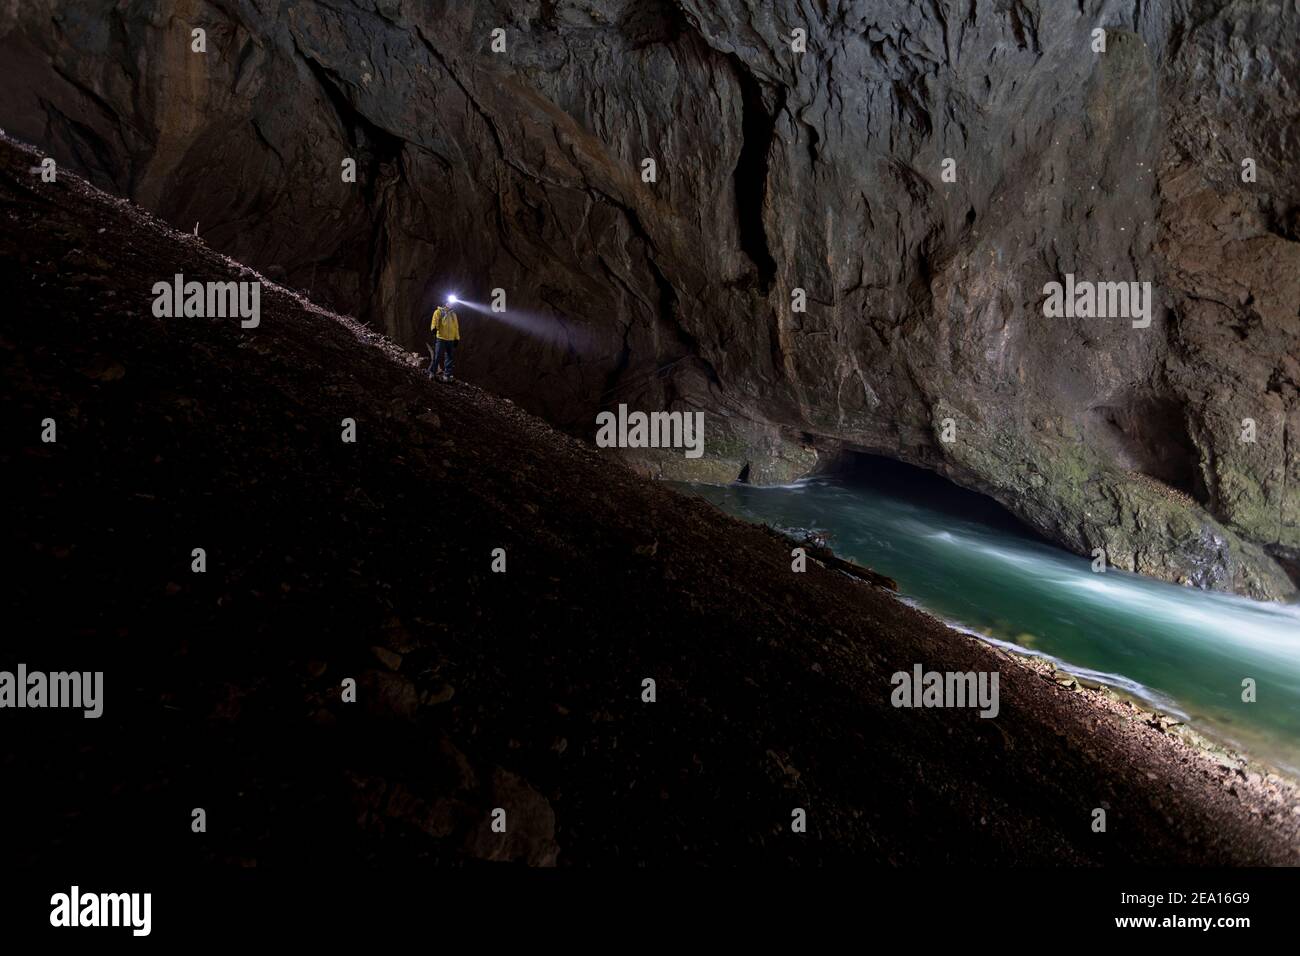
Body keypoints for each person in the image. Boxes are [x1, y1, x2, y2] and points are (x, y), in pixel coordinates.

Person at [428, 299, 461, 381]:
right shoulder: (439, 312)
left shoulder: (453, 314)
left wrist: (457, 338)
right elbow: (434, 322)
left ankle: (447, 375)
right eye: (449, 302)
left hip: (450, 339)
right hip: (441, 338)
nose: (451, 304)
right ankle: (432, 373)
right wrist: (433, 328)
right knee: (437, 356)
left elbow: (456, 327)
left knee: (449, 358)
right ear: (445, 303)